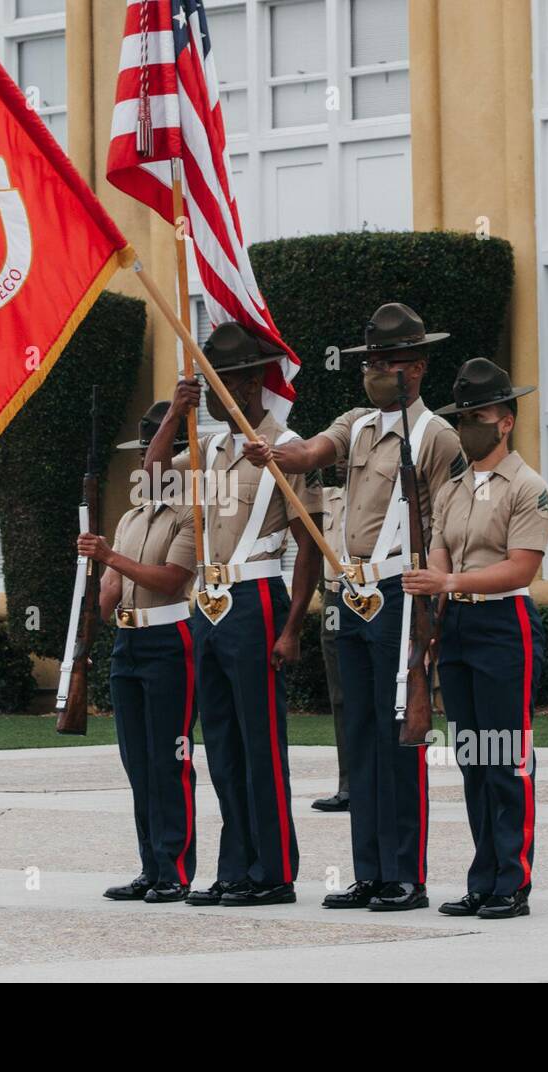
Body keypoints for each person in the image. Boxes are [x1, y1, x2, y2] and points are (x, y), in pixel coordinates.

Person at [243, 302, 464, 911]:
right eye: (369, 361)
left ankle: (405, 876)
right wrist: (276, 454)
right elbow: (314, 451)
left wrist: (434, 610)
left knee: (400, 735)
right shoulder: (359, 423)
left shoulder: (436, 437)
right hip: (353, 593)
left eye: (384, 361)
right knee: (360, 738)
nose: (372, 371)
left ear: (415, 367)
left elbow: (447, 523)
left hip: (400, 591)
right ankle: (369, 870)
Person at [145, 322, 322, 907]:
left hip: (256, 601)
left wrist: (294, 626)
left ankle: (271, 871)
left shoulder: (286, 445)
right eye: (210, 384)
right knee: (219, 744)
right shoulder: (208, 447)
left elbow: (310, 548)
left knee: (260, 743)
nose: (217, 394)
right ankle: (233, 867)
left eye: (225, 383)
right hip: (208, 604)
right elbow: (150, 484)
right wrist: (174, 414)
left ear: (251, 383)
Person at [403, 357, 548, 920]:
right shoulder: (454, 489)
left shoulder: (528, 488)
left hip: (503, 623)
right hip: (458, 625)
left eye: (478, 415)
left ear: (505, 421)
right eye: (461, 415)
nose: (467, 424)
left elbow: (520, 569)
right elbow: (440, 543)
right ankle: (482, 876)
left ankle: (512, 880)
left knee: (507, 755)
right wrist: (433, 591)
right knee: (471, 755)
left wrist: (449, 580)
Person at [78, 403, 197, 905]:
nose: (145, 465)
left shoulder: (193, 513)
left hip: (171, 641)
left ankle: (176, 870)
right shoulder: (129, 518)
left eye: (155, 454)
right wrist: (92, 582)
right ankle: (151, 866)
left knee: (169, 759)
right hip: (128, 643)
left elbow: (171, 581)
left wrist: (110, 557)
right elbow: (110, 593)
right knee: (137, 762)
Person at [312, 475, 349, 812]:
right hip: (335, 598)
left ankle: (388, 781)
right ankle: (348, 784)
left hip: (377, 595)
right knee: (340, 696)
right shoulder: (325, 498)